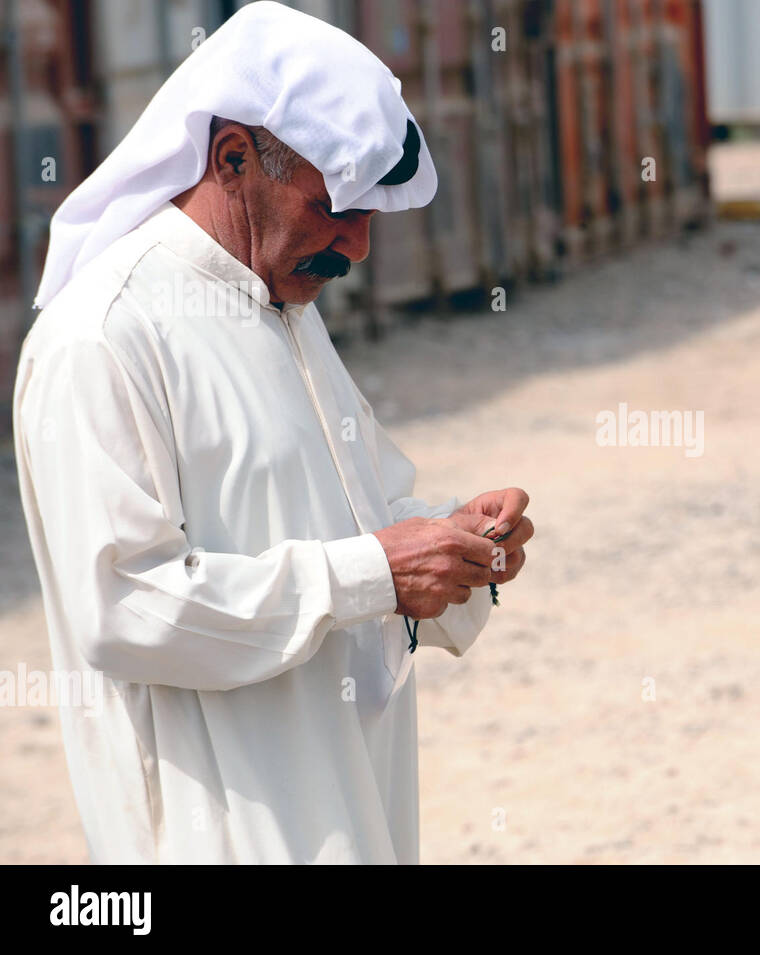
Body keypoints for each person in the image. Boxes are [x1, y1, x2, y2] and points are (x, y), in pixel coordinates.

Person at [11, 2, 532, 863]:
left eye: (373, 215)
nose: (359, 247)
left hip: (349, 807)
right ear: (231, 159)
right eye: (337, 208)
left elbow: (354, 522)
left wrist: (456, 541)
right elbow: (121, 606)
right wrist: (374, 569)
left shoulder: (279, 303)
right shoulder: (104, 333)